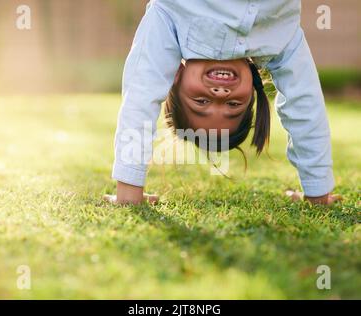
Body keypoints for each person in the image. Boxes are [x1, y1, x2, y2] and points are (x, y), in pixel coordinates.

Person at [104, 0, 343, 206]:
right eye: (234, 105)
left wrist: (129, 191)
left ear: (176, 77)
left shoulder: (170, 14)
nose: (220, 94)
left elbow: (140, 96)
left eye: (201, 101)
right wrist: (317, 193)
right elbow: (304, 105)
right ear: (251, 91)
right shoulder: (280, 36)